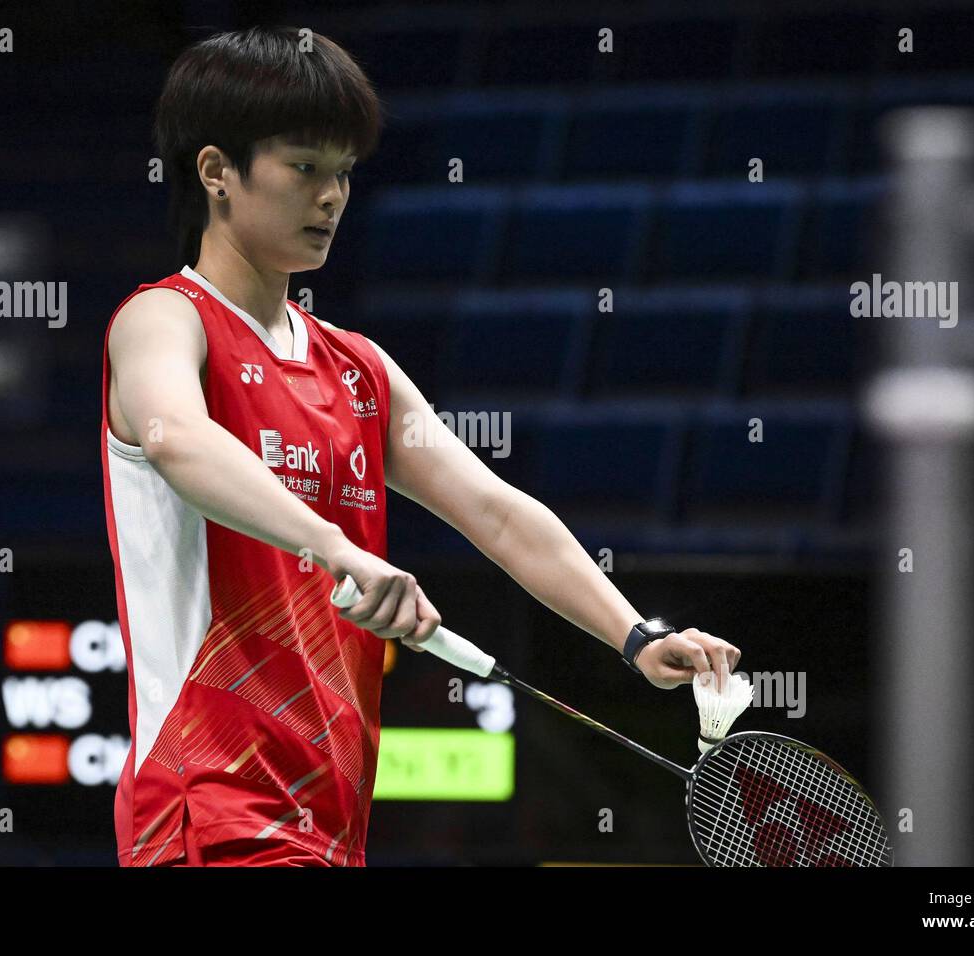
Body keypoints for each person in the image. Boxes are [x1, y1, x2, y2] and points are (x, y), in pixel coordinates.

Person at [102, 25, 740, 867]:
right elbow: (173, 435)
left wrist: (633, 636)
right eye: (303, 167)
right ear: (218, 171)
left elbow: (495, 511)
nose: (330, 196)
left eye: (343, 174)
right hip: (207, 806)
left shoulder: (358, 370)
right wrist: (334, 547)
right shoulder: (165, 322)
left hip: (330, 820)